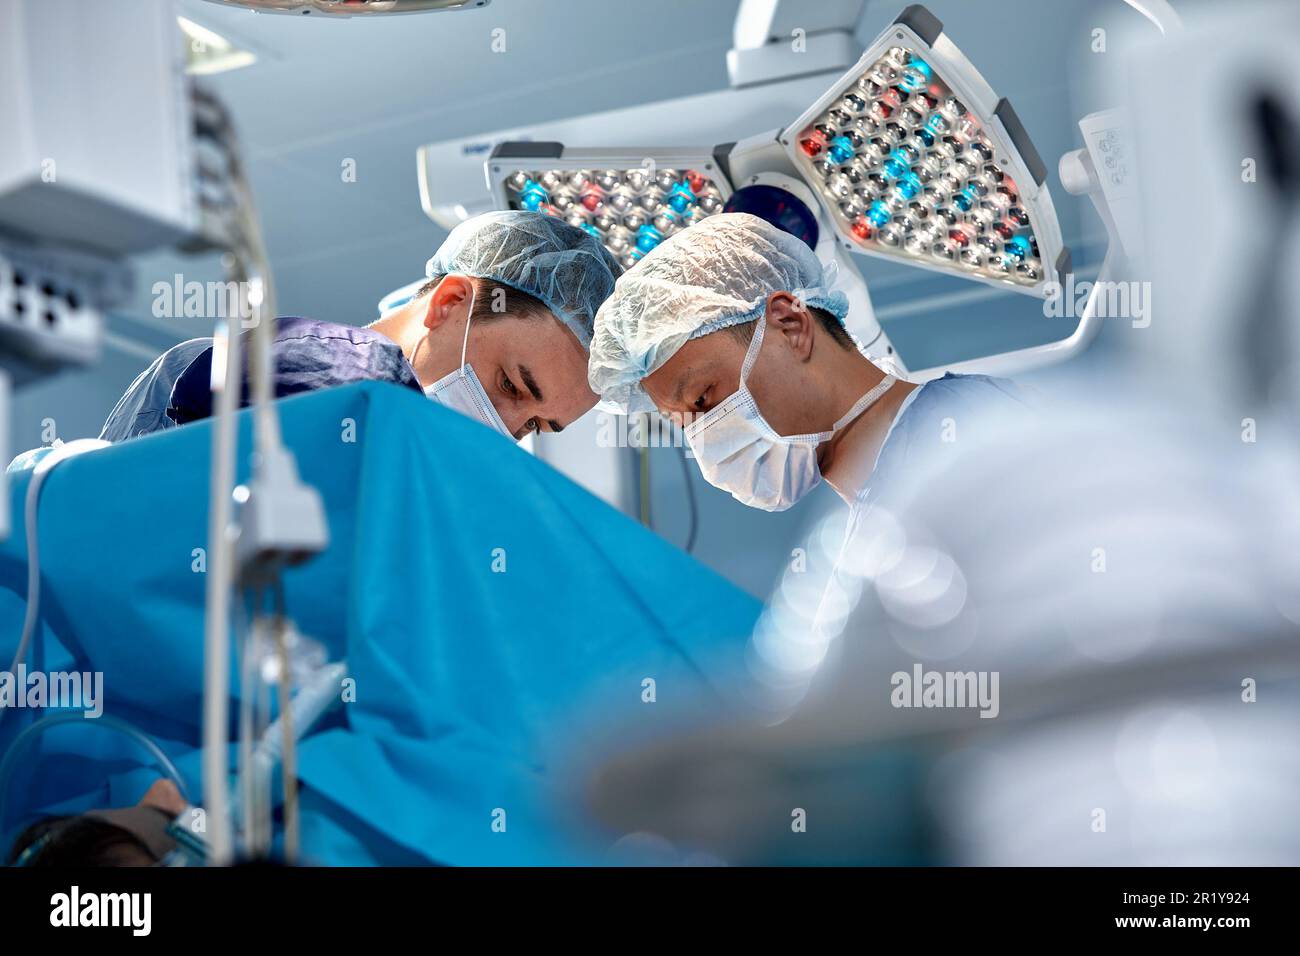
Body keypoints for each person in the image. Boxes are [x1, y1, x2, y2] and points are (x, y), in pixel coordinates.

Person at [587, 212, 1031, 522]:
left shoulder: (966, 423)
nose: (706, 441)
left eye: (704, 399)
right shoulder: (860, 548)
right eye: (683, 423)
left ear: (790, 324)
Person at [100, 210, 621, 443]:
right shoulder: (328, 376)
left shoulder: (428, 474)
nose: (507, 427)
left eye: (535, 426)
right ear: (451, 300)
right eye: (509, 385)